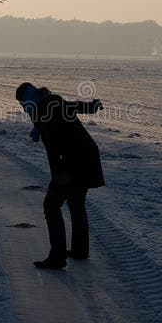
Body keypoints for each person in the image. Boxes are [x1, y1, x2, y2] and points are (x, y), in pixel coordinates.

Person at [16, 82, 105, 269]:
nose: (23, 108)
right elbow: (74, 105)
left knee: (51, 205)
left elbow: (53, 149)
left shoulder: (43, 113)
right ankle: (80, 250)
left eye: (22, 103)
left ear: (27, 100)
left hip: (74, 161)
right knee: (76, 203)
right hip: (87, 156)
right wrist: (92, 106)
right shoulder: (52, 101)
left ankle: (57, 256)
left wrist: (57, 175)